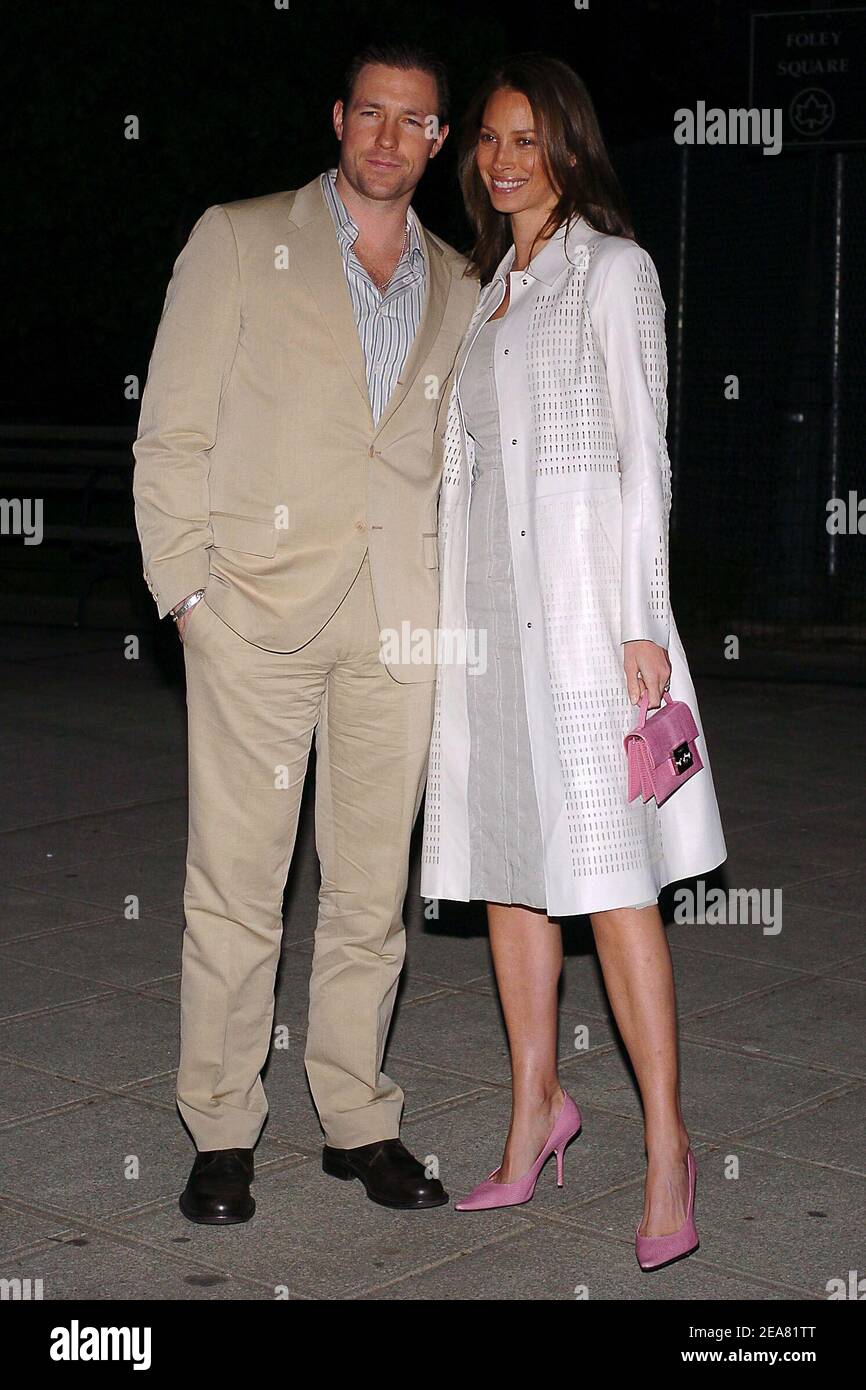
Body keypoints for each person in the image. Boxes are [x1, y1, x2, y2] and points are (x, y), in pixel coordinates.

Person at [132, 42, 479, 1223]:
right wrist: (187, 595)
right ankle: (222, 1129)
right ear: (339, 118)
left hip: (401, 626)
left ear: (439, 142)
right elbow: (170, 431)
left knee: (369, 893)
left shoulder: (460, 283)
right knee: (236, 886)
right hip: (254, 619)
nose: (389, 136)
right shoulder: (236, 238)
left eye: (415, 121)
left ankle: (356, 1119)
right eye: (370, 112)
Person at [419, 53, 726, 1270]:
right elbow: (462, 478)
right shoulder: (487, 293)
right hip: (490, 625)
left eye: (526, 141)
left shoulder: (614, 269)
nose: (502, 161)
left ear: (568, 150)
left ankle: (667, 1147)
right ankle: (532, 1111)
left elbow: (642, 454)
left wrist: (641, 618)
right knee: (506, 874)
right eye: (489, 140)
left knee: (610, 883)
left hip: (590, 622)